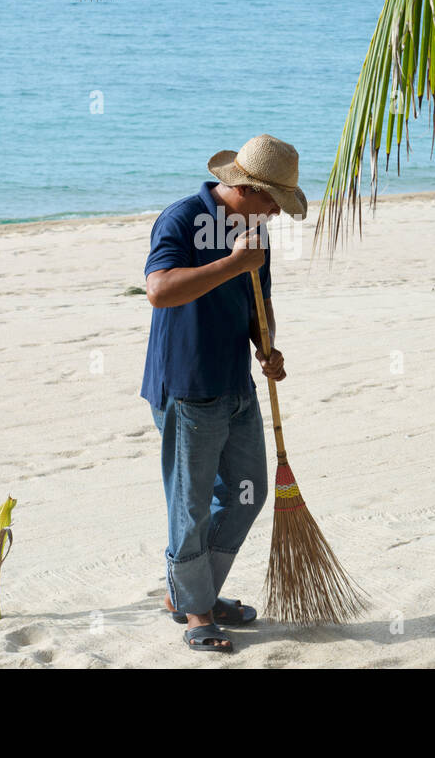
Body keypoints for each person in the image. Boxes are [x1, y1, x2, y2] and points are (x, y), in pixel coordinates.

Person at [141, 134, 307, 652]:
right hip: (188, 386)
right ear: (248, 188)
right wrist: (233, 263)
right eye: (274, 201)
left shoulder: (255, 231)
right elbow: (160, 291)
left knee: (249, 492)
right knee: (189, 505)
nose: (277, 213)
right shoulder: (183, 218)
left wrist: (268, 347)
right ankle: (196, 611)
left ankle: (193, 592)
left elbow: (262, 301)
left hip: (237, 383)